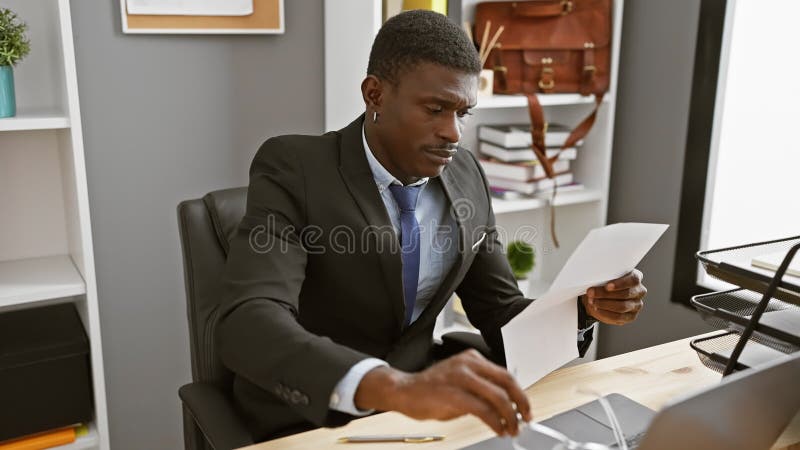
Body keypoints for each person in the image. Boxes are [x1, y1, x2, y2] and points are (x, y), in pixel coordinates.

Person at [217, 9, 647, 442]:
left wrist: (584, 308)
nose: (454, 133)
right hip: (310, 419)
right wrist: (394, 388)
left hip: (419, 423)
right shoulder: (294, 169)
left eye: (464, 113)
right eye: (436, 109)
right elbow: (248, 322)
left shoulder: (466, 176)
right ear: (375, 95)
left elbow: (499, 312)